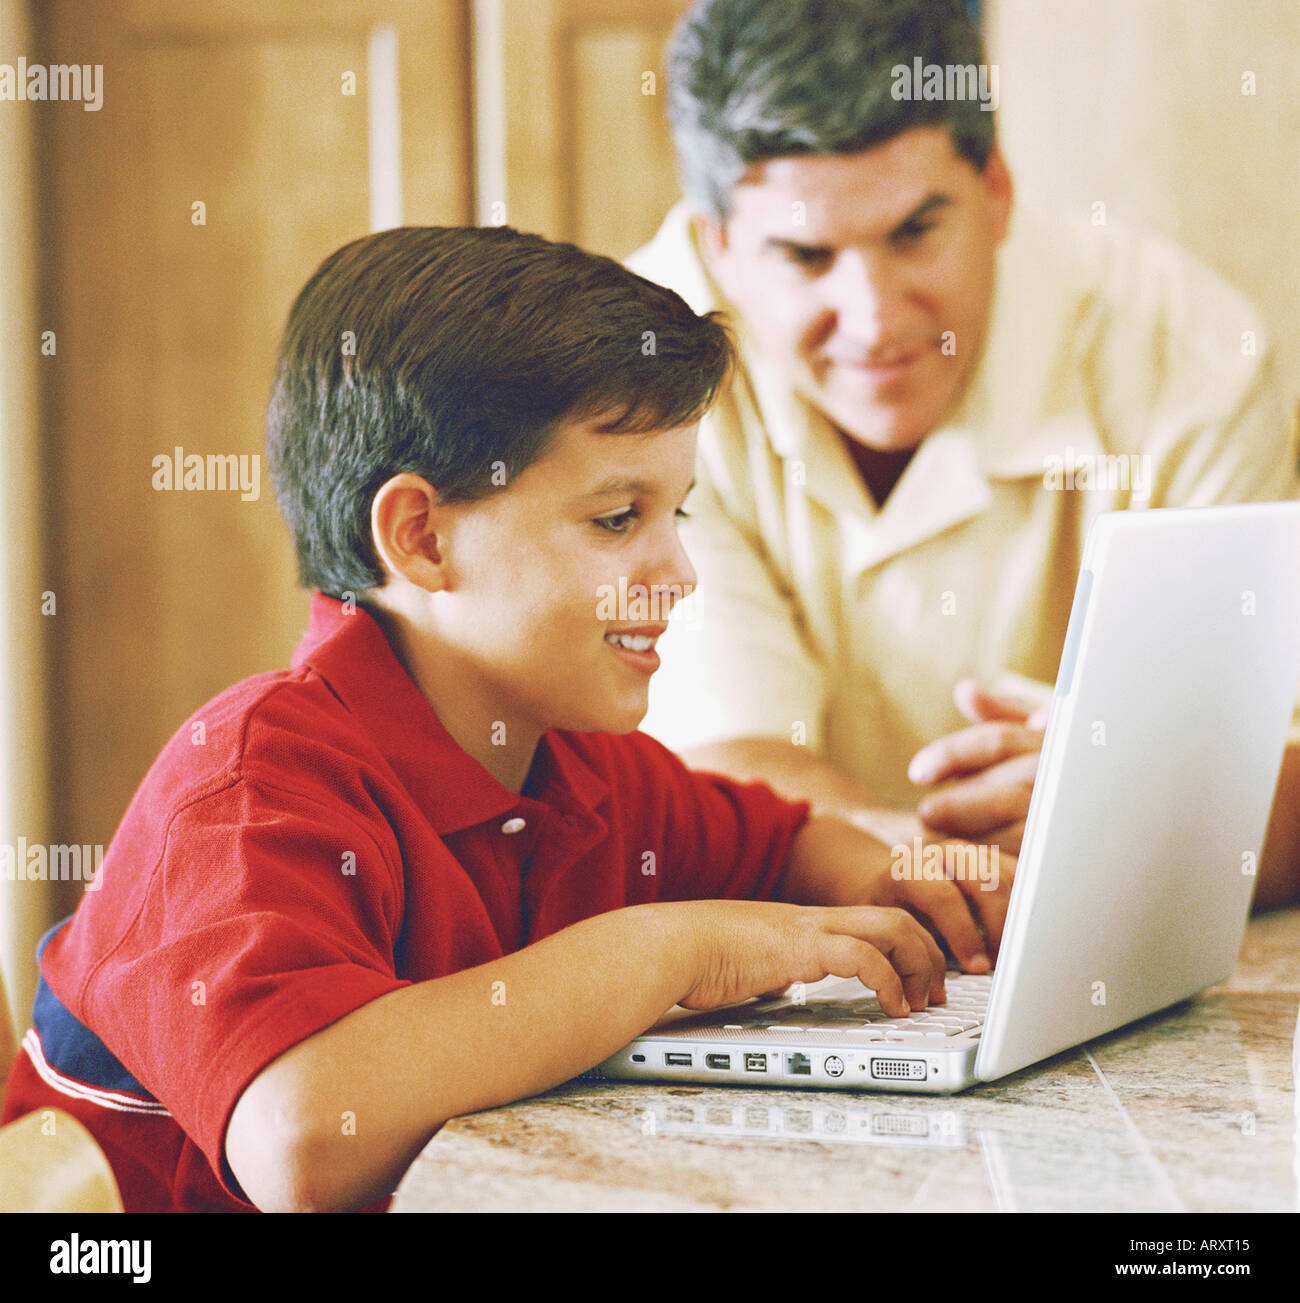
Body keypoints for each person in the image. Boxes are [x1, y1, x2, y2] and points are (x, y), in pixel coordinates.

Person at [1, 225, 1010, 1213]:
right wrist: (670, 951)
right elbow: (303, 1136)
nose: (680, 572)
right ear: (421, 536)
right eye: (618, 519)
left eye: (679, 513)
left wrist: (901, 871)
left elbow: (786, 848)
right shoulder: (249, 788)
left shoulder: (575, 765)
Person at [630, 0, 1300, 904]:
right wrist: (977, 862)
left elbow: (1281, 780)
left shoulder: (1193, 357)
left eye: (914, 231)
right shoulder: (631, 383)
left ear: (996, 192)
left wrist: (1139, 818)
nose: (874, 320)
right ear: (718, 250)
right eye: (805, 254)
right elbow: (720, 769)